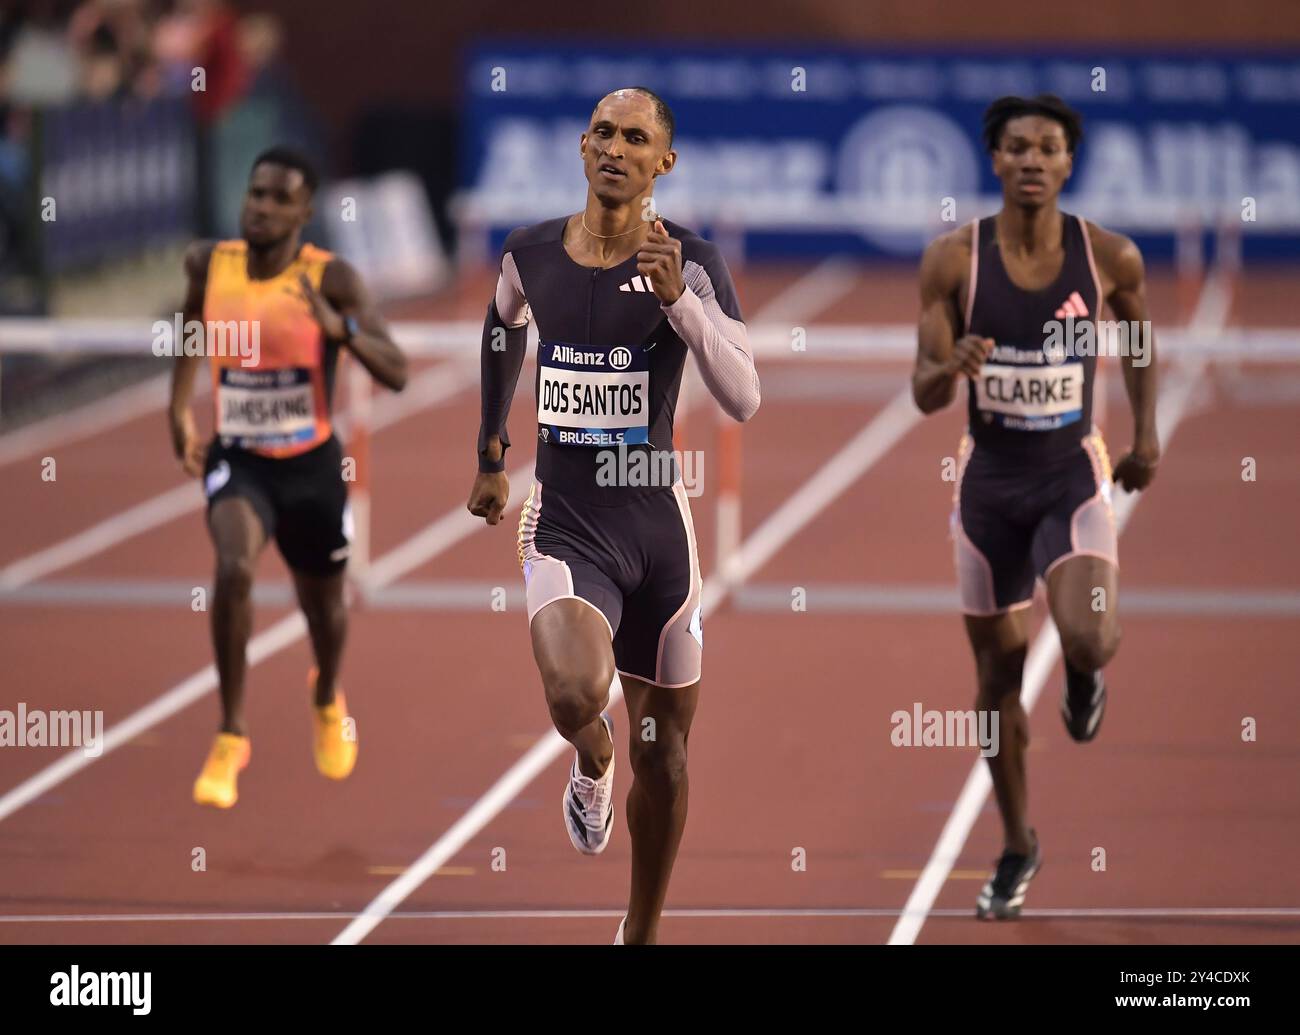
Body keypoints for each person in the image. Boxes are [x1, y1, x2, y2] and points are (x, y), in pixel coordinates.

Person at [466, 88, 760, 944]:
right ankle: (591, 757)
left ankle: (641, 928)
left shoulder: (693, 259)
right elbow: (501, 323)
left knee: (664, 751)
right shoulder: (530, 252)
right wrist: (491, 449)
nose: (615, 147)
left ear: (664, 161)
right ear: (582, 144)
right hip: (564, 521)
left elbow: (743, 397)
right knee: (574, 693)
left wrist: (681, 304)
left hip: (657, 531)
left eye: (637, 138)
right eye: (602, 131)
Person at [910, 95, 1159, 919]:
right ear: (993, 159)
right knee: (995, 680)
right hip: (989, 491)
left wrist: (1147, 433)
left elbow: (1141, 334)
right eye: (1016, 147)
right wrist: (954, 368)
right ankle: (1018, 843)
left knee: (1090, 630)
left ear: (1067, 163)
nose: (1031, 161)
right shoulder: (953, 260)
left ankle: (1085, 673)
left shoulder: (1109, 256)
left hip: (1069, 475)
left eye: (1047, 149)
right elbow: (920, 390)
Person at [170, 146, 408, 808]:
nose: (263, 207)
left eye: (280, 199)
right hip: (239, 459)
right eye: (256, 193)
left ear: (305, 211)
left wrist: (344, 330)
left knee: (324, 611)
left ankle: (327, 692)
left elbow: (398, 371)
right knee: (234, 567)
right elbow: (192, 323)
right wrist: (178, 409)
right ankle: (231, 732)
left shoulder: (331, 279)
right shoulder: (207, 264)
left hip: (311, 469)